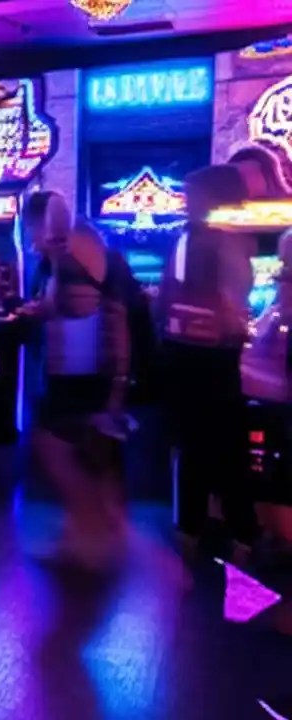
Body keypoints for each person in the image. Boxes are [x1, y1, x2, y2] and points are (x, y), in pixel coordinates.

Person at [20, 191, 132, 571]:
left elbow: (80, 307)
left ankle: (90, 538)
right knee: (92, 452)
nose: (30, 239)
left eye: (30, 229)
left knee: (59, 448)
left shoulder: (70, 250)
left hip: (80, 366)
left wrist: (40, 309)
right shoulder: (83, 243)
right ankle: (96, 533)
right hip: (94, 367)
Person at [159, 163, 260, 561]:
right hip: (207, 353)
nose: (185, 201)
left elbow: (221, 300)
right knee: (221, 446)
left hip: (194, 352)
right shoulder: (222, 238)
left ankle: (197, 531)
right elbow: (237, 302)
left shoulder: (204, 237)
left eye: (191, 194)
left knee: (200, 445)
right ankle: (238, 534)